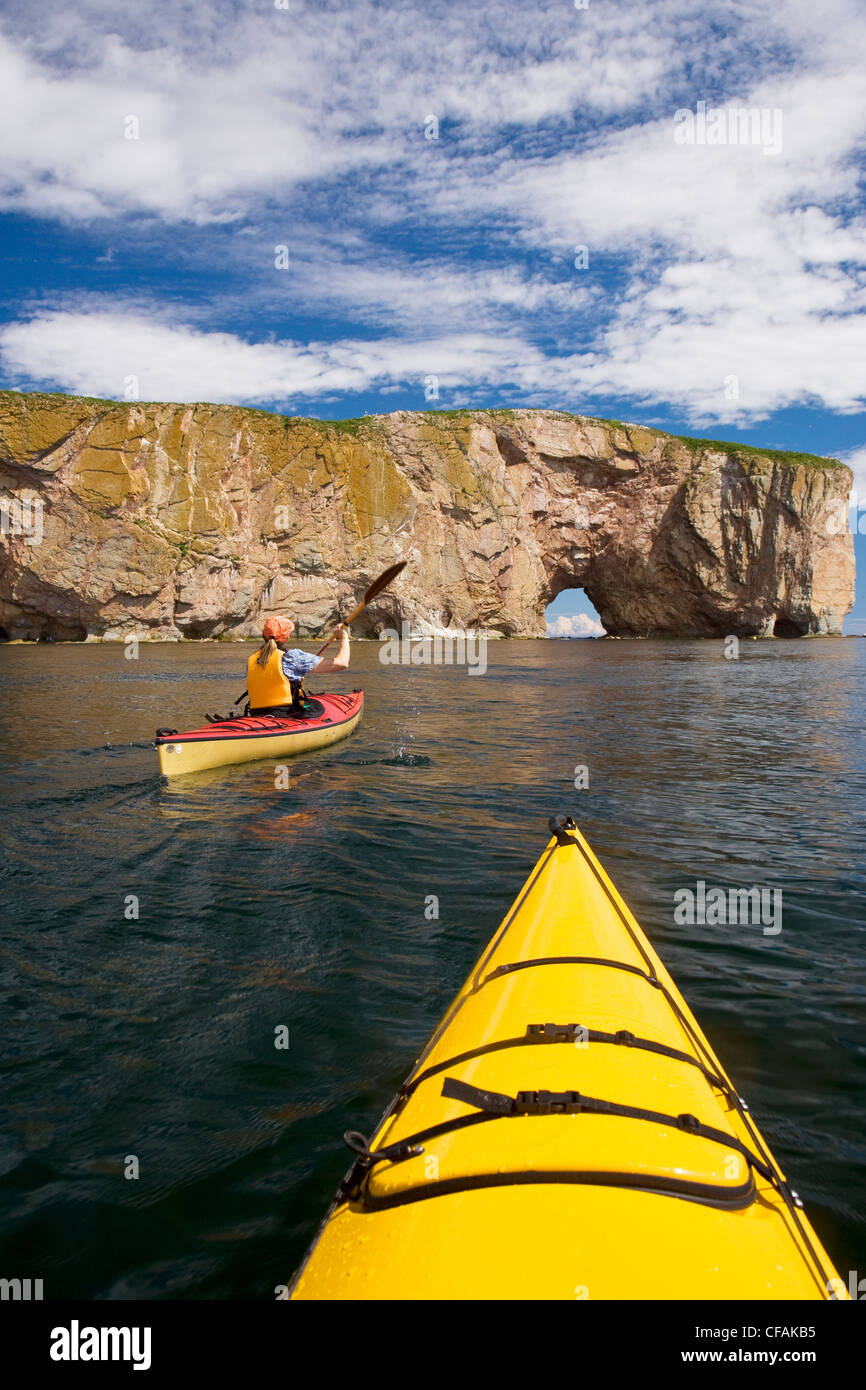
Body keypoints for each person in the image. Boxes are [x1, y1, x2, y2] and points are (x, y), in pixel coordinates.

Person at [247, 616, 350, 715]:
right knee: (317, 705)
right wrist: (344, 638)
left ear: (264, 636)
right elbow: (342, 663)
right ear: (286, 637)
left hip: (256, 712)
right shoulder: (292, 658)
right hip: (287, 713)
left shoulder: (252, 659)